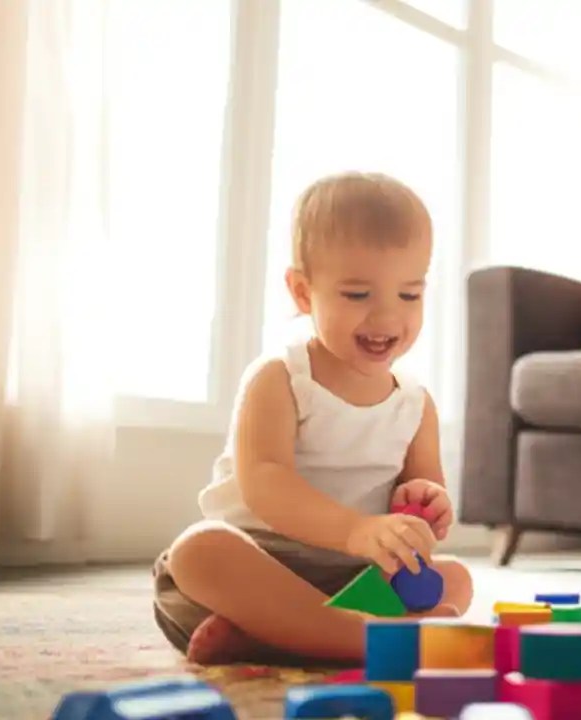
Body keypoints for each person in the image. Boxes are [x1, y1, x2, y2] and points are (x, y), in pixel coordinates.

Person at [152, 172, 473, 664]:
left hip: (354, 577)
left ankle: (278, 639)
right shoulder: (281, 378)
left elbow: (424, 490)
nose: (387, 317)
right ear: (303, 293)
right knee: (200, 550)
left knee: (457, 578)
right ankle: (358, 639)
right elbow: (264, 482)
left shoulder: (414, 403)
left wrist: (426, 503)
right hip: (260, 563)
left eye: (409, 295)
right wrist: (353, 530)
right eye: (358, 295)